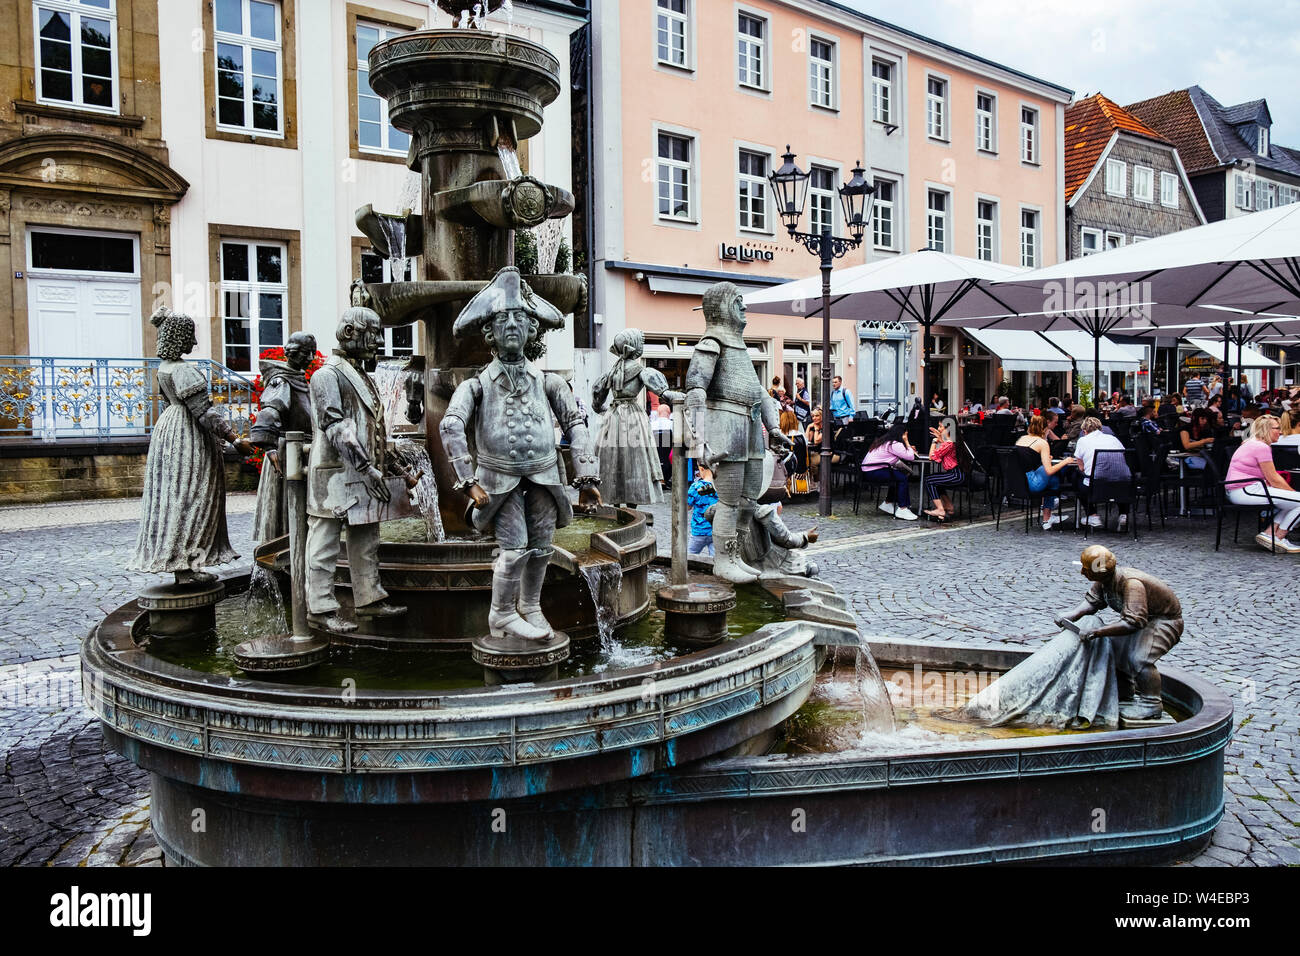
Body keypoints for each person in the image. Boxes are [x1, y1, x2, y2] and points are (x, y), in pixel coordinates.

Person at [441, 267, 601, 641]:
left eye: (520, 319)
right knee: (512, 549)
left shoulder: (550, 382)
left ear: (532, 331)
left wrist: (587, 476)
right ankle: (500, 615)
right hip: (499, 479)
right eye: (502, 319)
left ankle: (530, 605)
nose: (512, 325)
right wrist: (467, 481)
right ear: (490, 333)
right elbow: (451, 425)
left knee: (542, 547)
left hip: (546, 476)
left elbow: (576, 424)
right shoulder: (476, 384)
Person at [128, 309, 255, 586]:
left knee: (176, 499)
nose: (194, 342)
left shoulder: (164, 368)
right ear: (179, 337)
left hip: (170, 430)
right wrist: (235, 439)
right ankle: (188, 566)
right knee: (194, 499)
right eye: (190, 335)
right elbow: (205, 414)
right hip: (188, 437)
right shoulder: (184, 370)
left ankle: (182, 565)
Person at [305, 305, 411, 634]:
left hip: (361, 477)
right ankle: (319, 609)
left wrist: (394, 467)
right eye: (372, 335)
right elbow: (336, 428)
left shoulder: (360, 374)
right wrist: (367, 468)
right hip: (335, 475)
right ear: (350, 333)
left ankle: (370, 599)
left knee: (366, 539)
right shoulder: (327, 375)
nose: (378, 342)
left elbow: (371, 429)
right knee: (323, 543)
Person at [684, 283, 791, 583]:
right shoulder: (711, 342)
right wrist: (699, 441)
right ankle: (722, 560)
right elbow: (695, 390)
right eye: (739, 302)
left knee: (747, 502)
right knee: (730, 502)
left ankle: (737, 555)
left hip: (753, 432)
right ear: (723, 306)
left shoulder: (741, 348)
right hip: (727, 433)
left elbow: (761, 393)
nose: (744, 308)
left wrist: (774, 428)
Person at [1055, 545, 1184, 721]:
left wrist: (1096, 632)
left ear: (1100, 571)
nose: (1082, 572)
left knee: (1139, 658)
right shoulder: (1104, 579)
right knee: (1115, 651)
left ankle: (1151, 704)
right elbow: (1093, 602)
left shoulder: (1131, 584)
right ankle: (1124, 694)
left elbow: (1133, 622)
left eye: (1086, 569)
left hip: (1164, 621)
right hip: (1141, 620)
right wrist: (1072, 614)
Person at [591, 328, 675, 507]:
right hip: (633, 418)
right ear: (635, 346)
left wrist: (603, 410)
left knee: (612, 459)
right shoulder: (640, 370)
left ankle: (614, 502)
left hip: (613, 417)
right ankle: (632, 504)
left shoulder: (612, 372)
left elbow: (597, 399)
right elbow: (662, 391)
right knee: (634, 459)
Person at [250, 331, 317, 545]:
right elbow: (270, 411)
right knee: (285, 506)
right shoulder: (281, 381)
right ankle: (282, 550)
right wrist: (269, 447)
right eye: (306, 353)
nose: (310, 359)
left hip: (302, 451)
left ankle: (298, 548)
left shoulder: (299, 380)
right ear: (293, 353)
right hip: (287, 453)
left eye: (312, 354)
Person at [1226, 414, 1300, 553]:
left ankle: (1269, 533)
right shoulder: (1261, 447)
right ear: (1266, 429)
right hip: (1246, 490)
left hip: (1242, 489)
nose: (1281, 432)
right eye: (1277, 428)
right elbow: (1273, 478)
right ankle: (1279, 537)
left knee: (1292, 502)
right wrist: (1293, 493)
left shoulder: (1253, 443)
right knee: (1297, 500)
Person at [1015, 415, 1076, 530]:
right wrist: (1066, 461)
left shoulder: (1021, 439)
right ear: (1044, 429)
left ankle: (1047, 519)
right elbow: (1049, 470)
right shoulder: (1042, 443)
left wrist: (1046, 458)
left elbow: (1027, 459)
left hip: (1019, 481)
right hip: (1033, 484)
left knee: (1053, 480)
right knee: (1055, 473)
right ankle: (1048, 516)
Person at [1075, 416, 1132, 530]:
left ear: (1084, 431)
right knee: (1116, 474)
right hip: (1123, 484)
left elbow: (1081, 468)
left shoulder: (1083, 440)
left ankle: (1092, 514)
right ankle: (1123, 514)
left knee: (1075, 478)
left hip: (1096, 486)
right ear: (1101, 429)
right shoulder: (1113, 439)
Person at [859, 421, 919, 520]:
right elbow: (910, 457)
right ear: (902, 434)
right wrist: (907, 442)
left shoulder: (884, 441)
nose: (906, 435)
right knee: (902, 478)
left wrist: (906, 447)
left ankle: (888, 502)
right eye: (906, 434)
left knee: (897, 476)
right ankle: (902, 508)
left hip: (868, 471)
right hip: (874, 471)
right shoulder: (894, 444)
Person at [921, 420, 962, 521]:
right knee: (936, 480)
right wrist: (940, 438)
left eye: (940, 427)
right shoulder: (950, 442)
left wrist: (934, 441)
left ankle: (940, 509)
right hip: (956, 473)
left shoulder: (949, 443)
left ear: (947, 429)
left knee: (929, 480)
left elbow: (932, 456)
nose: (939, 429)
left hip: (955, 475)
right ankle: (949, 507)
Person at [687, 466, 718, 556]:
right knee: (715, 561)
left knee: (689, 558)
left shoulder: (696, 486)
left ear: (701, 469)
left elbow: (687, 507)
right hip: (715, 531)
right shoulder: (720, 487)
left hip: (698, 530)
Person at [1175, 408, 1215, 472]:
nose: (1205, 421)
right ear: (1194, 418)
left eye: (1206, 419)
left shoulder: (1203, 431)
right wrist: (1204, 441)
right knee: (1209, 467)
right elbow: (1187, 445)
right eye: (1202, 418)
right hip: (1183, 458)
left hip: (1197, 456)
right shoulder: (1185, 430)